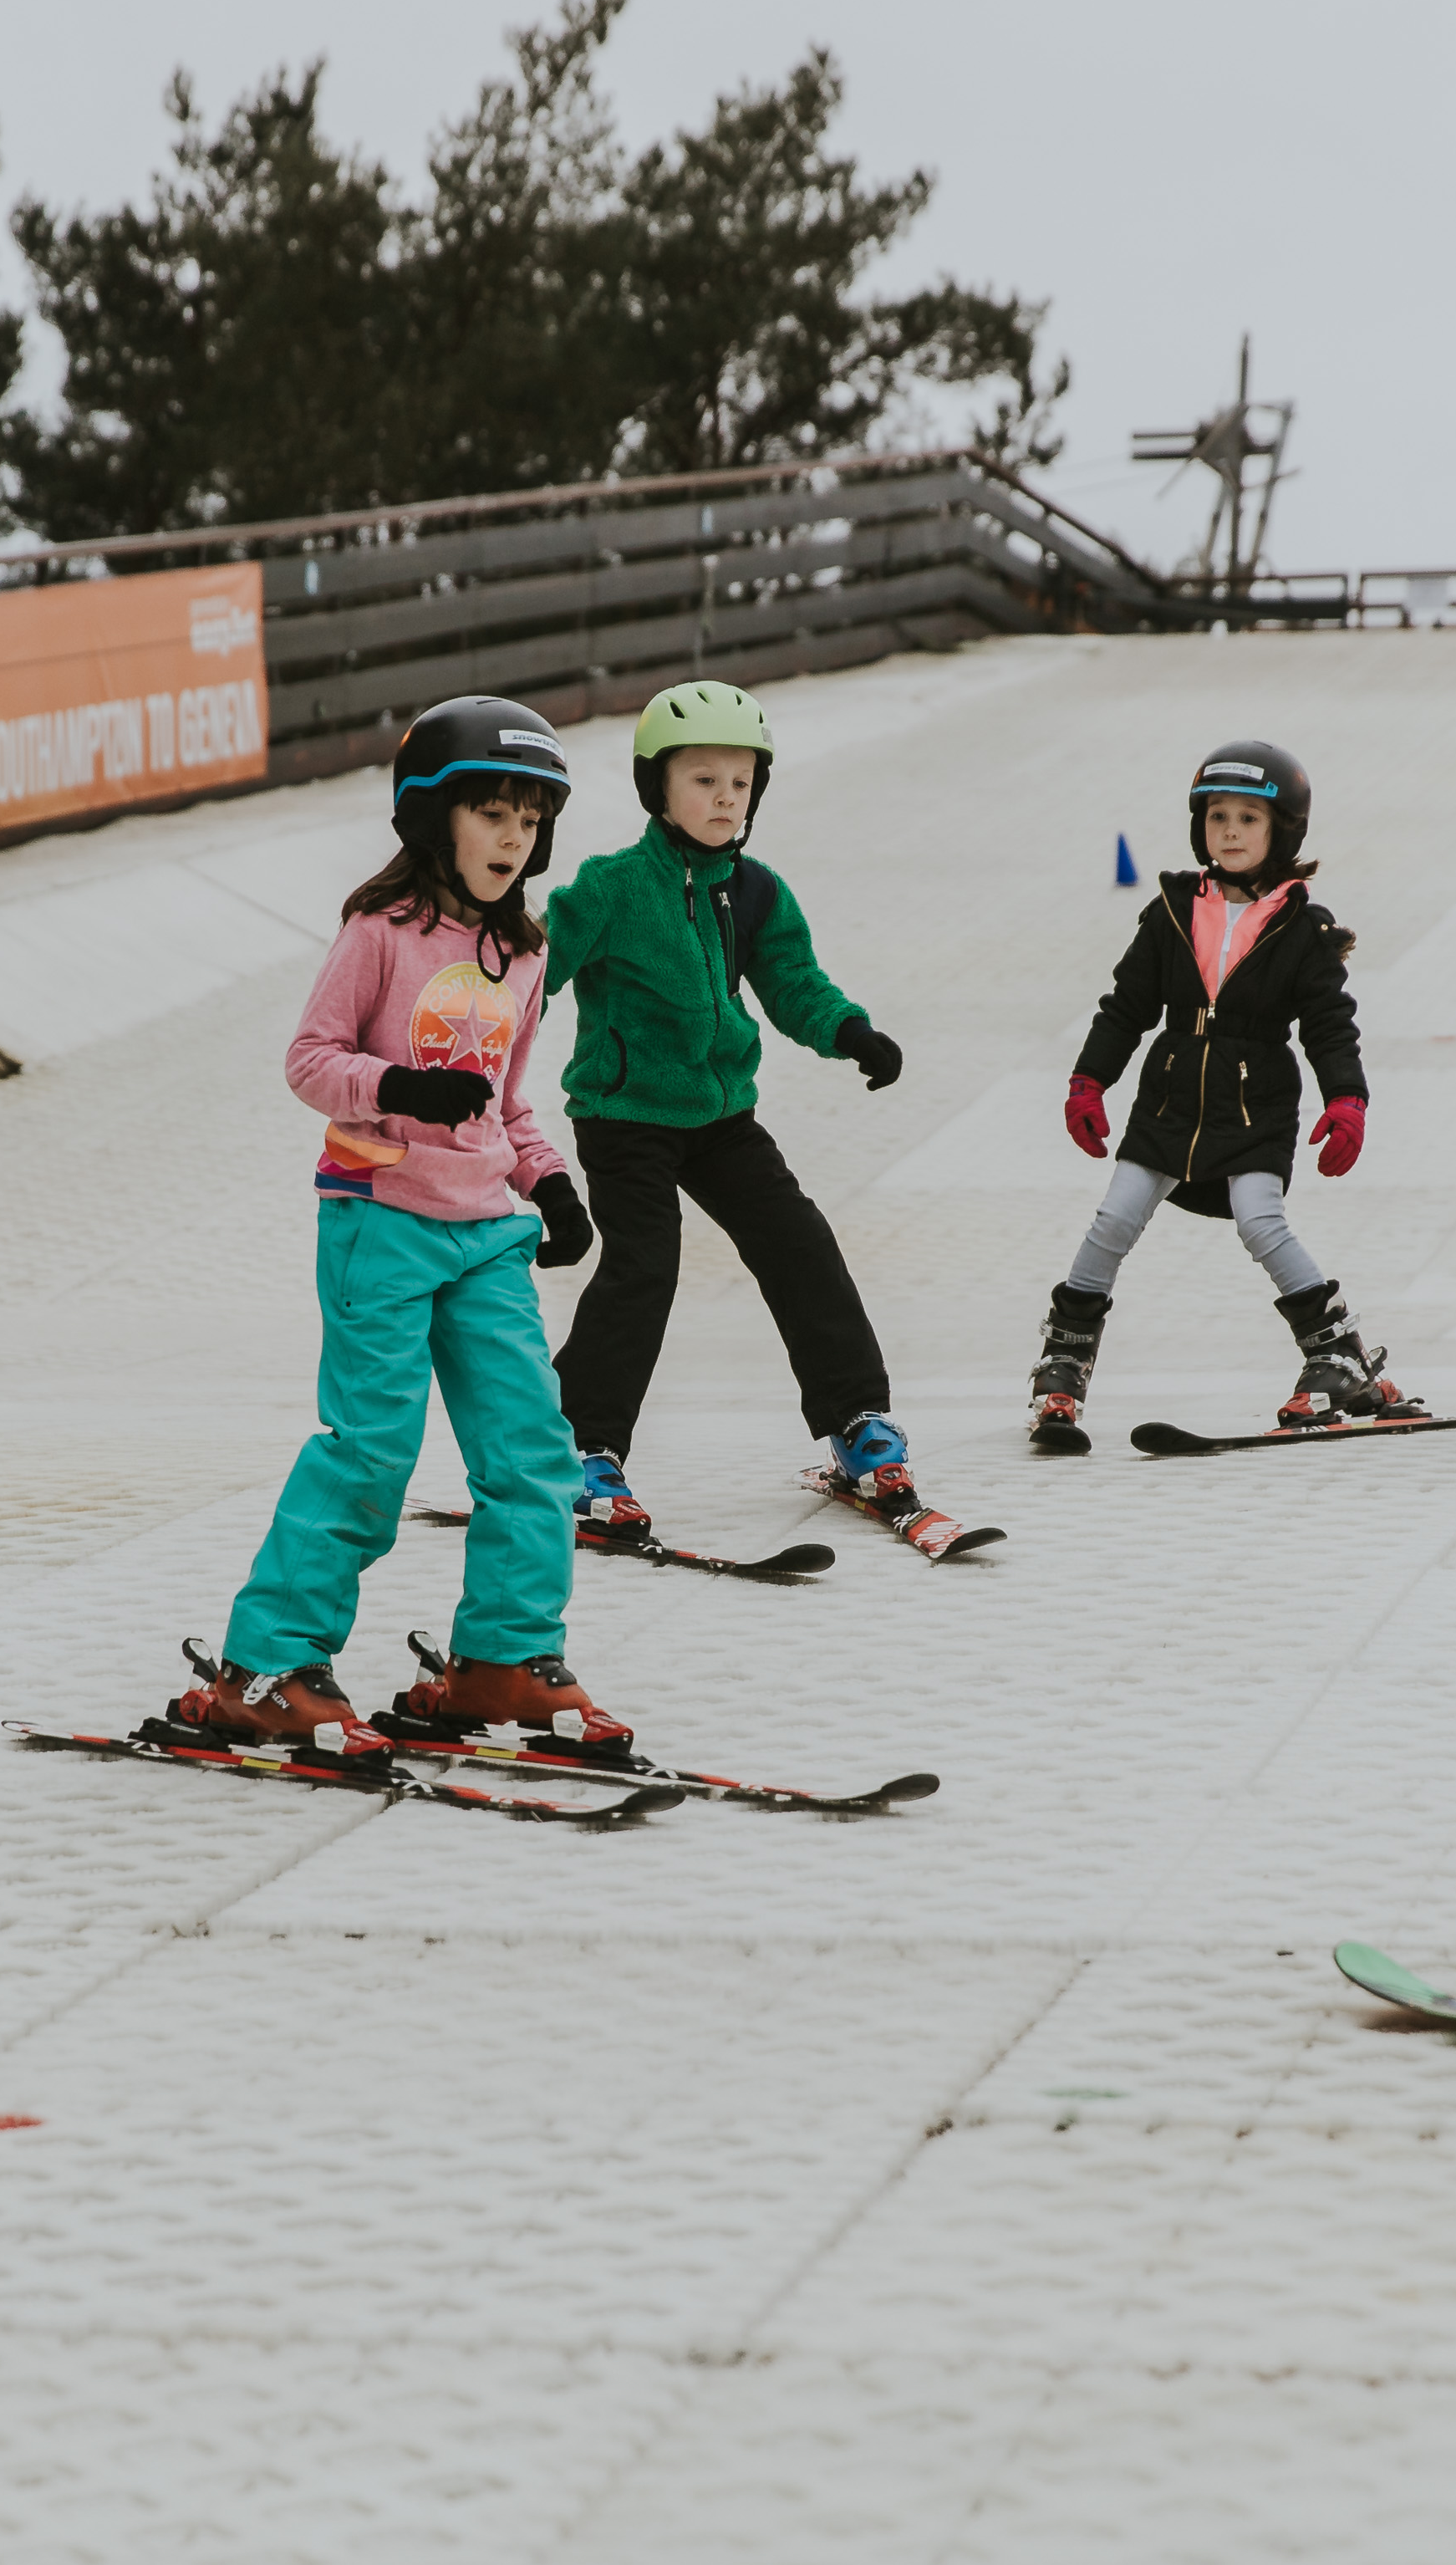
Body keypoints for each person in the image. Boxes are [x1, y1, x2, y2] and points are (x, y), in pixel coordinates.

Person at [169, 696, 628, 1758]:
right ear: (433, 818)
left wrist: (549, 1181)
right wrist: (397, 1089)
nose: (514, 839)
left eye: (530, 819)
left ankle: (502, 1661)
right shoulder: (379, 933)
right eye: (491, 814)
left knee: (533, 1456)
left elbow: (507, 1102)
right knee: (372, 1454)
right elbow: (311, 1062)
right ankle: (269, 1665)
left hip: (485, 1236)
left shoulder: (524, 950)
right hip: (378, 1221)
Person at [543, 680, 914, 1537]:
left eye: (739, 783)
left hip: (718, 1119)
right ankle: (576, 1443)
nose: (723, 799)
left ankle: (857, 1422)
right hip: (623, 1115)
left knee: (798, 1240)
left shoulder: (752, 891)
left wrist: (848, 1032)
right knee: (644, 1268)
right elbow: (531, 969)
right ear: (656, 789)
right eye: (702, 780)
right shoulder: (609, 887)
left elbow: (792, 982)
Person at [1025, 740, 1417, 1448]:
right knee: (1115, 1218)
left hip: (1254, 1099)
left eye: (1247, 819)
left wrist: (1347, 1099)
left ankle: (1337, 1352)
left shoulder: (1303, 928)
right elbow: (1126, 1006)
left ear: (1282, 831)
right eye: (1216, 817)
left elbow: (1330, 1025)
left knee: (1259, 1220)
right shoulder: (1173, 910)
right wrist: (1090, 1080)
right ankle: (1064, 1359)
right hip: (1171, 1095)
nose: (1230, 832)